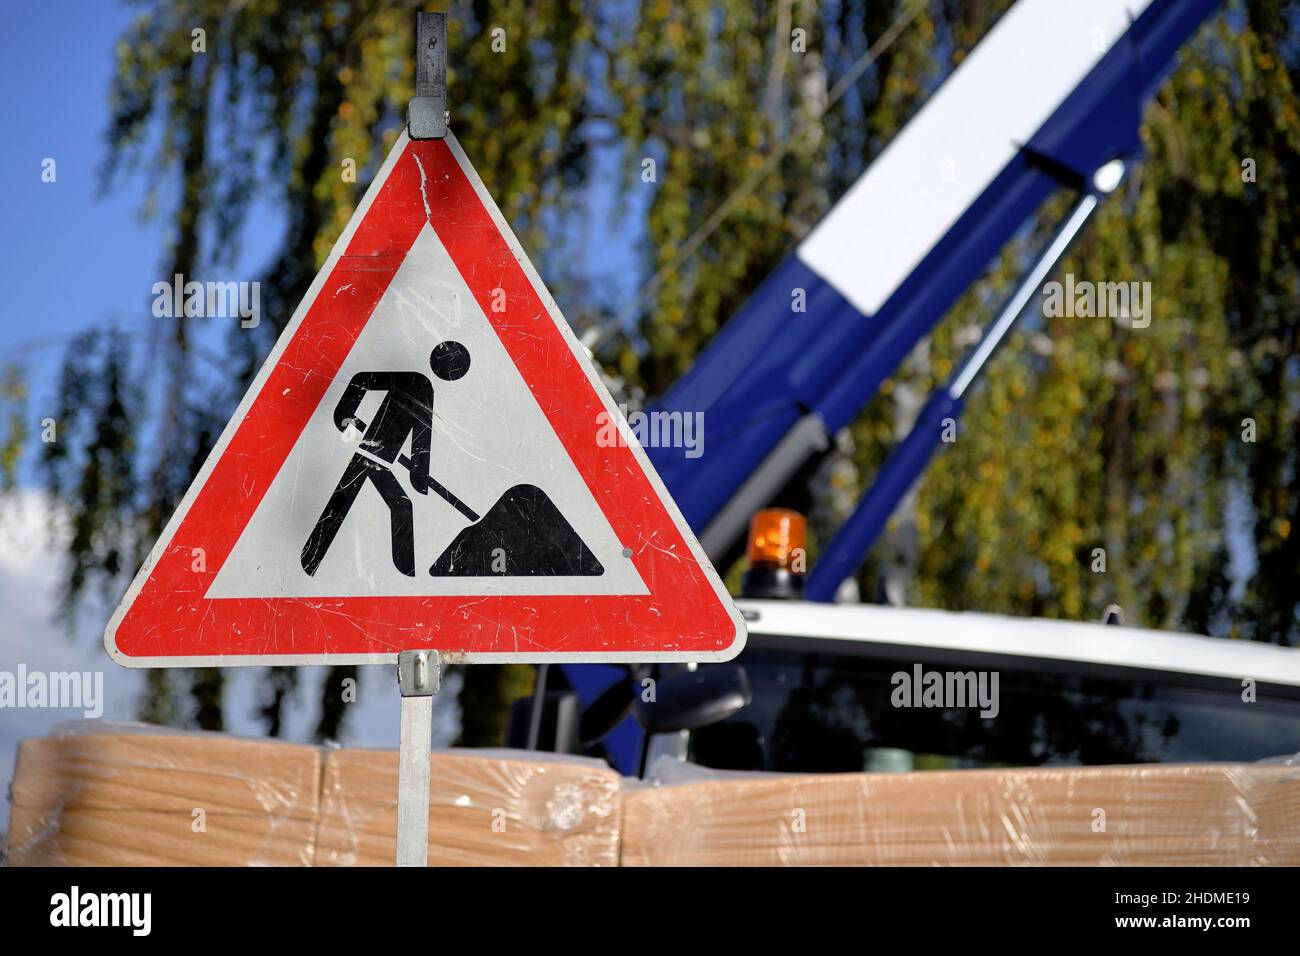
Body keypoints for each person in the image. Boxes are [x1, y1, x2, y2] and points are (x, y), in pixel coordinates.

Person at [300, 341, 471, 576]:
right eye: (453, 365)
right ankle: (309, 562)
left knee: (387, 504)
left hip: (381, 462)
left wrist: (418, 473)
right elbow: (359, 381)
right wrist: (356, 426)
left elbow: (422, 440)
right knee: (355, 502)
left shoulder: (424, 388)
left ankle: (405, 575)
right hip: (365, 455)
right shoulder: (413, 380)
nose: (452, 371)